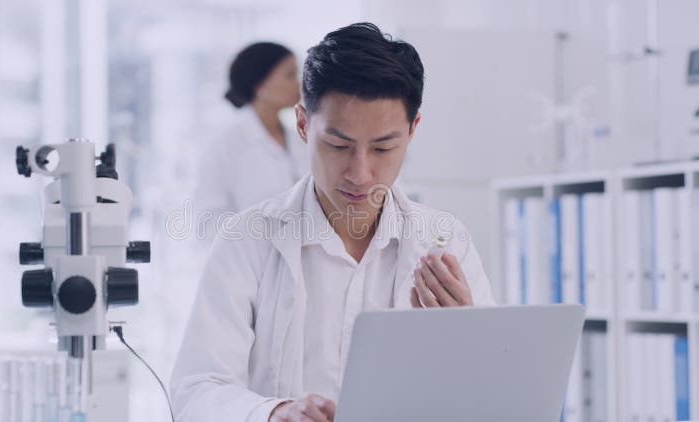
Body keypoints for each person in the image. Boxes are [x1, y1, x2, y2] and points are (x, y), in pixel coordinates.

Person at [171, 23, 496, 422]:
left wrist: (466, 344)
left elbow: (487, 396)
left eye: (383, 147)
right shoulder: (246, 241)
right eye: (339, 145)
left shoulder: (447, 242)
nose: (359, 173)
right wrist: (273, 413)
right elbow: (196, 390)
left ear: (412, 131)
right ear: (304, 125)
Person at [194, 42, 308, 230]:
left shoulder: (299, 138)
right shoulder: (224, 145)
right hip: (246, 257)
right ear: (260, 85)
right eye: (290, 75)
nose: (299, 82)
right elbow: (208, 224)